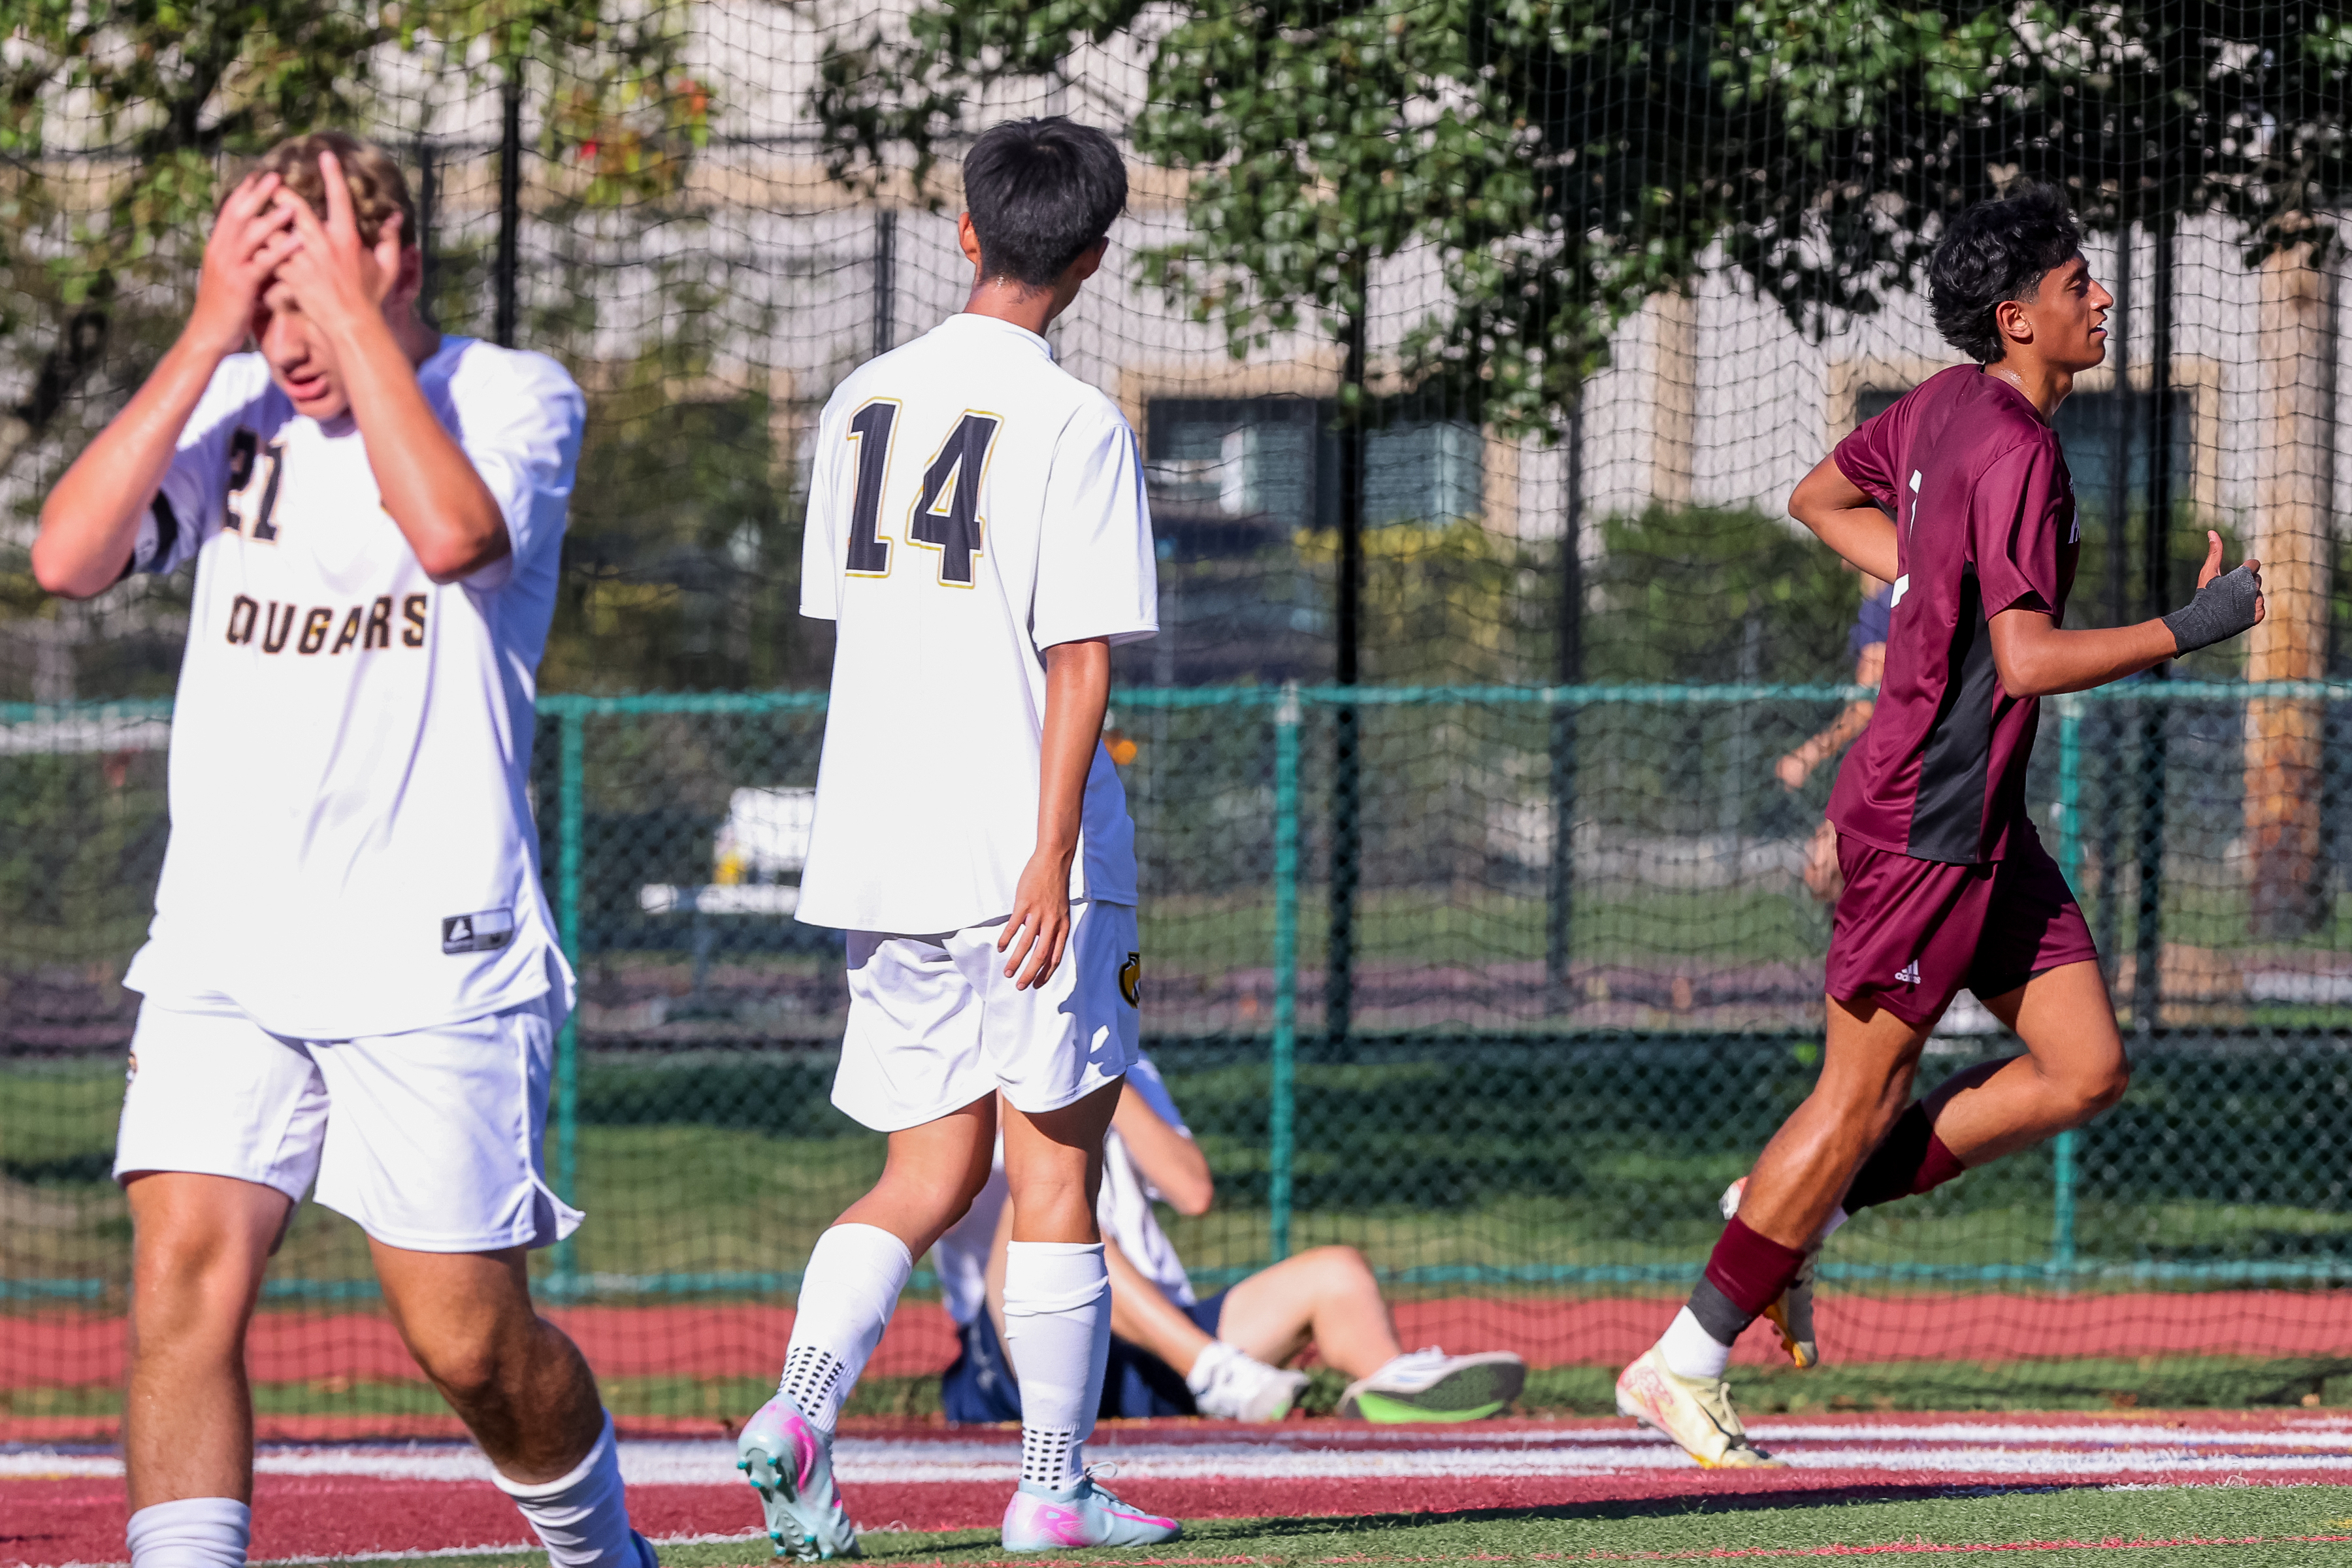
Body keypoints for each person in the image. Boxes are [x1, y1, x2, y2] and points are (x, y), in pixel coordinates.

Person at [30, 135, 648, 1567]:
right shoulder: (234, 394)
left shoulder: (510, 395)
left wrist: (352, 323)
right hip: (224, 944)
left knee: (468, 1345)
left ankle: (603, 1554)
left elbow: (449, 533)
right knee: (183, 1280)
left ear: (397, 261)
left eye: (308, 296)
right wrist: (204, 332)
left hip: (431, 943)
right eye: (268, 303)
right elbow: (66, 557)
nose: (288, 341)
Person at [1612, 185, 2266, 1468]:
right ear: (2019, 319)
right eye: (2082, 285)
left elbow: (1819, 499)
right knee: (1859, 1100)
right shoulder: (2014, 444)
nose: (2105, 300)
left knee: (2085, 1069)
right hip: (1924, 821)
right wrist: (2192, 629)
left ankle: (1786, 1215)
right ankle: (1680, 1361)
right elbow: (2021, 665)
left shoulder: (1938, 405)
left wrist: (1928, 577)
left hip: (1984, 821)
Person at [732, 117, 1179, 1558]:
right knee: (1054, 1174)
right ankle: (1052, 1490)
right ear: (1096, 260)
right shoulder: (1077, 420)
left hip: (883, 852)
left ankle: (802, 1408)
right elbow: (1080, 659)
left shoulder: (862, 398)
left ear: (968, 231)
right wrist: (1048, 852)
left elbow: (857, 624)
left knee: (925, 1175)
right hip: (1021, 858)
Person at [934, 1058, 1529, 1425]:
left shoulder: (1123, 1067)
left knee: (1338, 1271)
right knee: (1043, 1207)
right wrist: (1029, 1080)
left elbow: (1191, 1191)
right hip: (1018, 1358)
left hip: (1156, 1347)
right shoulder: (969, 1072)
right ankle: (1216, 1374)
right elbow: (939, 1203)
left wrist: (1097, 1075)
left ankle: (1392, 1382)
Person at [1778, 576, 1891, 903]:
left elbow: (1866, 707)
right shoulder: (1884, 598)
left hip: (1891, 773)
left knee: (1822, 871)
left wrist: (1810, 754)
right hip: (1894, 770)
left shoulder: (1886, 600)